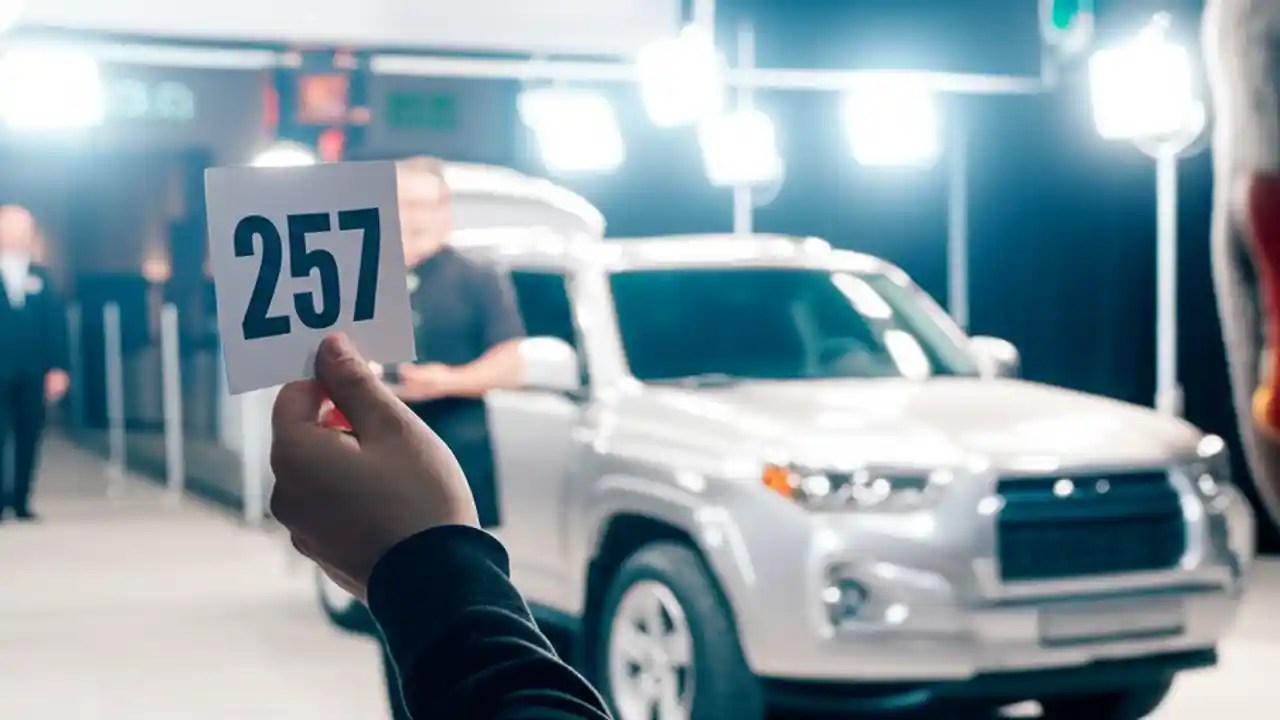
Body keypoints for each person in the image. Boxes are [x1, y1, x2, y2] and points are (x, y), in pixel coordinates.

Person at [272, 332, 611, 720]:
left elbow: (514, 353)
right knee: (401, 641)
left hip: (459, 474)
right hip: (388, 482)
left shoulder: (470, 276)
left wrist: (445, 380)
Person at [0, 205, 69, 522]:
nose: (16, 235)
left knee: (29, 433)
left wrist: (58, 367)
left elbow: (55, 326)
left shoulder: (42, 277)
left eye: (23, 229)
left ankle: (21, 500)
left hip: (32, 371)